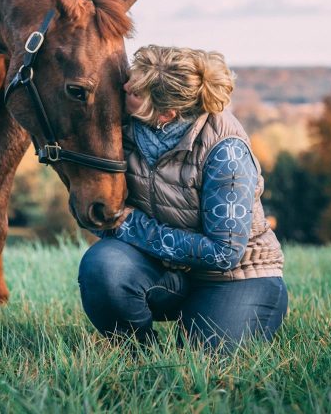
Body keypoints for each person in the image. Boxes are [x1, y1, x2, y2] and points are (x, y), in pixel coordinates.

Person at [78, 45, 287, 351]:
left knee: (199, 362)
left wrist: (131, 226)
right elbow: (100, 214)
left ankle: (214, 321)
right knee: (103, 267)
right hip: (167, 270)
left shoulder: (226, 151)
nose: (123, 87)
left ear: (165, 113)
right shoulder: (121, 129)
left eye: (135, 91)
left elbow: (223, 252)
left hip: (236, 276)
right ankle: (136, 353)